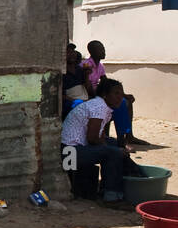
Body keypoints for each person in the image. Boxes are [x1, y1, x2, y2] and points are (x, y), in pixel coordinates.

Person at [60, 77, 142, 205]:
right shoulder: (100, 107)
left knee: (114, 145)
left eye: (121, 94)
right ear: (105, 95)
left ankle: (123, 180)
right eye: (116, 93)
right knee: (113, 153)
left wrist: (113, 147)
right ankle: (112, 196)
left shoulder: (102, 106)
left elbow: (100, 136)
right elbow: (92, 139)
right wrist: (114, 150)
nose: (120, 97)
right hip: (69, 153)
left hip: (75, 149)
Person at [81, 40, 148, 145]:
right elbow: (86, 86)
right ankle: (120, 139)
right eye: (100, 49)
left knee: (126, 101)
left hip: (99, 93)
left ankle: (129, 135)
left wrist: (124, 94)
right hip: (89, 95)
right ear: (92, 51)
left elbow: (107, 83)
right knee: (120, 104)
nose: (104, 51)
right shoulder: (86, 65)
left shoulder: (100, 66)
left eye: (103, 48)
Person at [63, 44, 88, 119]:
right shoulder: (61, 72)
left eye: (73, 51)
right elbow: (61, 95)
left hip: (83, 98)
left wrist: (87, 75)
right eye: (68, 52)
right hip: (70, 101)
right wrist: (76, 100)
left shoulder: (80, 70)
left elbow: (88, 89)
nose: (72, 54)